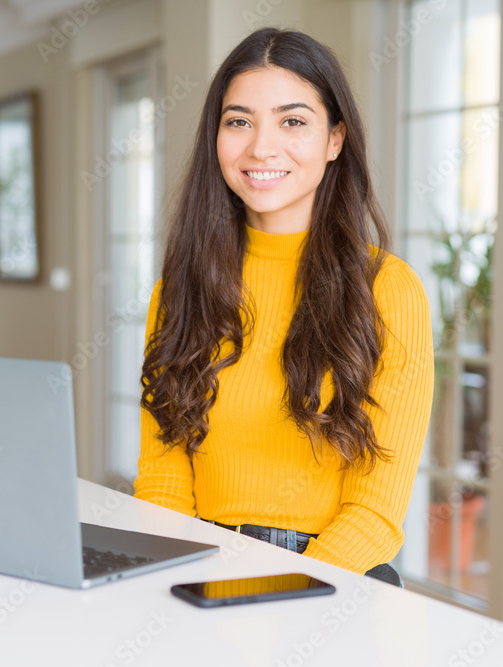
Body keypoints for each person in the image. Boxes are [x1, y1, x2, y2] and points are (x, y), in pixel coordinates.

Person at [133, 27, 434, 585]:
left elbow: (376, 513)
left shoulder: (388, 289)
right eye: (239, 121)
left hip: (332, 581)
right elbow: (162, 474)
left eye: (292, 121)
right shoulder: (179, 290)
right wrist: (175, 581)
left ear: (335, 139)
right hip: (199, 567)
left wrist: (277, 596)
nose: (260, 147)